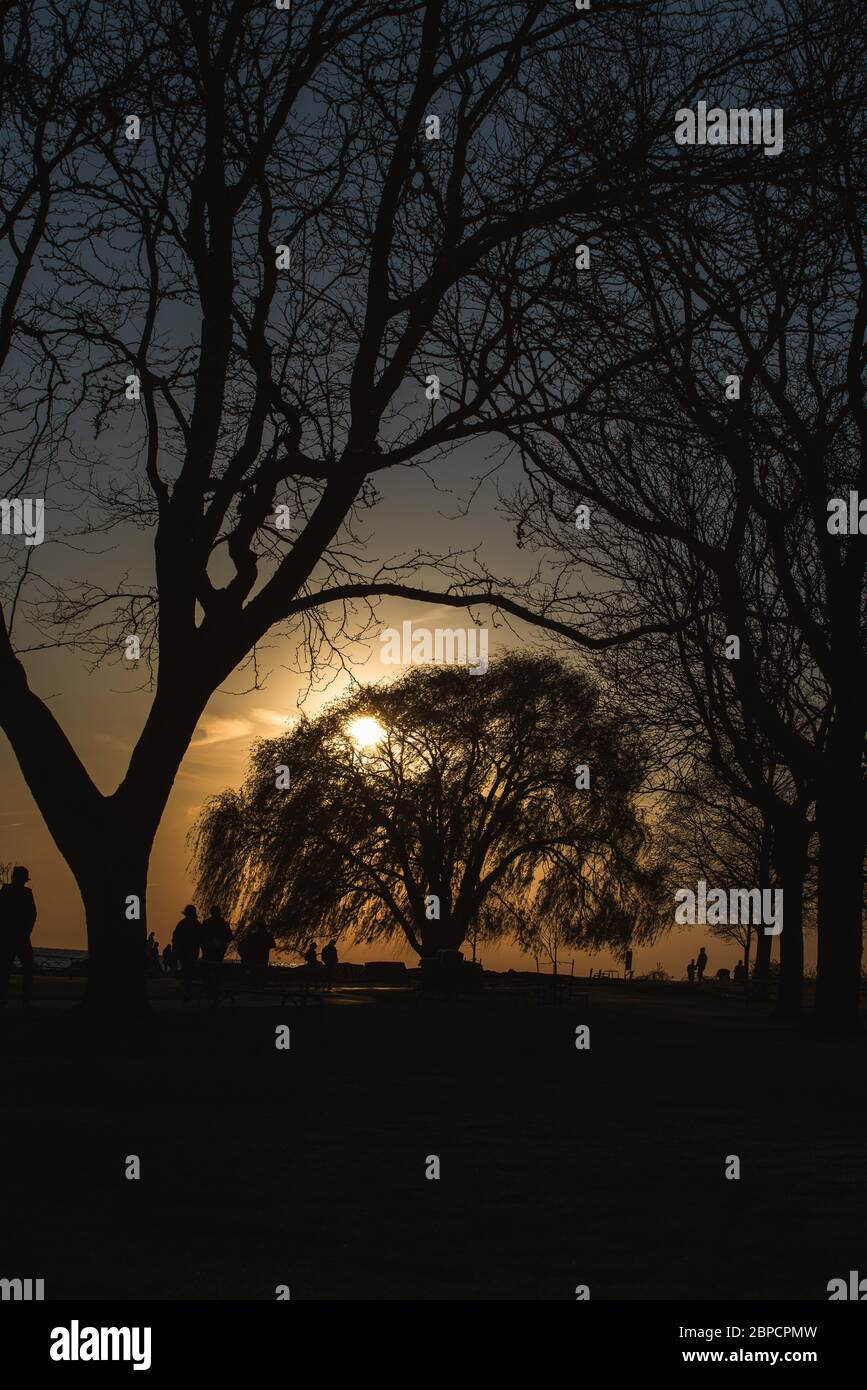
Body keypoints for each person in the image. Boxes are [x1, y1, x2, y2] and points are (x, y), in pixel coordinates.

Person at [0, 866, 37, 1007]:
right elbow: (33, 914)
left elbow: (32, 915)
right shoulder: (23, 894)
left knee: (6, 969)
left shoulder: (5, 893)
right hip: (17, 937)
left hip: (13, 937)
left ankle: (16, 998)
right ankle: (24, 999)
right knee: (22, 969)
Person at [200, 906, 233, 998]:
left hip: (215, 951)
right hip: (212, 951)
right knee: (212, 970)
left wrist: (219, 942)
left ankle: (213, 989)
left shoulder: (208, 924)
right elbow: (229, 937)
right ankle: (212, 989)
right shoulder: (221, 924)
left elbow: (229, 937)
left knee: (213, 970)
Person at [172, 904, 201, 1002]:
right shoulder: (194, 924)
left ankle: (187, 992)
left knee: (188, 972)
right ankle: (187, 992)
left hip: (189, 952)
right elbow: (175, 938)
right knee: (187, 972)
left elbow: (175, 938)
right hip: (186, 952)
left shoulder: (184, 924)